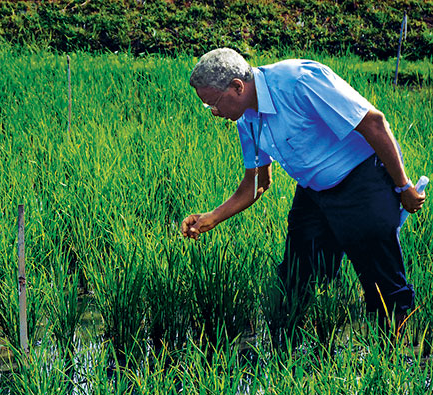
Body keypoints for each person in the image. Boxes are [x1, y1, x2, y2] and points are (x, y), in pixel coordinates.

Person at [181, 48, 426, 333]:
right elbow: (258, 182)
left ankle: (391, 356)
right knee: (297, 276)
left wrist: (403, 186)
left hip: (362, 180)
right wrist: (211, 217)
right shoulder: (247, 118)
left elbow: (373, 122)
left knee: (381, 278)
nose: (214, 112)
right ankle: (298, 348)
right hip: (313, 191)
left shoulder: (298, 81)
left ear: (237, 86)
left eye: (213, 103)